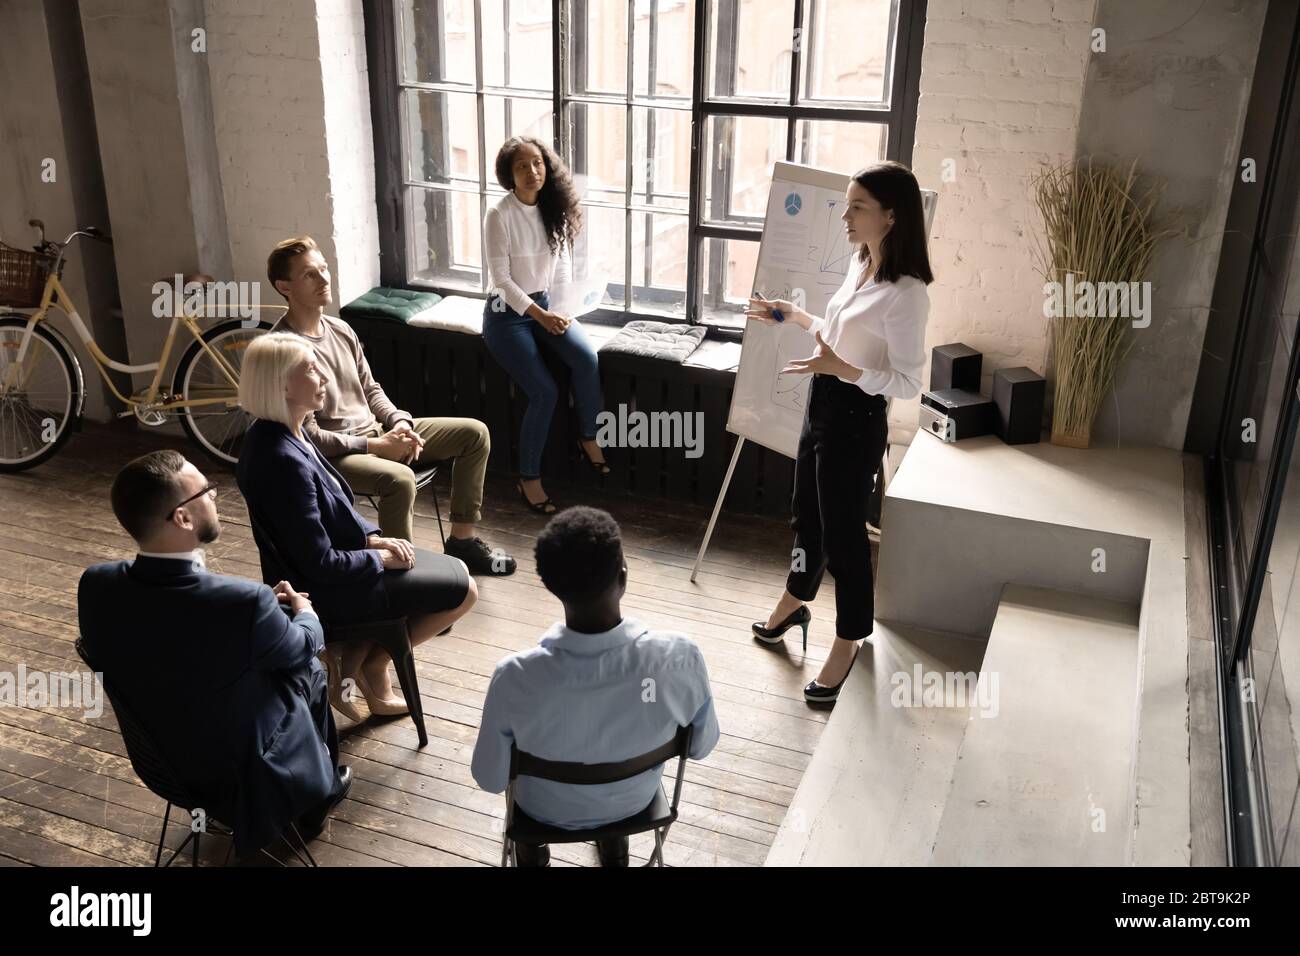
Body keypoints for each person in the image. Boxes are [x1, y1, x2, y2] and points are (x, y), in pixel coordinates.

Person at [77, 450, 350, 856]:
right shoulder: (244, 603)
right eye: (206, 491)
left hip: (163, 764)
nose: (215, 496)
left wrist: (256, 615)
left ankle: (316, 787)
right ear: (183, 518)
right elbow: (302, 645)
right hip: (241, 774)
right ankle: (319, 794)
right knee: (308, 668)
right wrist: (304, 612)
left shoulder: (96, 583)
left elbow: (173, 628)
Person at [746, 160, 933, 705]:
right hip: (822, 402)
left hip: (856, 417)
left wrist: (842, 370)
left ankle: (850, 637)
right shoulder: (861, 264)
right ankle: (795, 598)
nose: (844, 215)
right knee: (807, 515)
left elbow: (904, 381)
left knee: (845, 537)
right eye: (847, 203)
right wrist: (795, 318)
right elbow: (841, 334)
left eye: (857, 206)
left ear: (891, 216)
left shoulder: (908, 292)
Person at [236, 332, 478, 724]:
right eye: (311, 370)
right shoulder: (281, 459)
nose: (324, 378)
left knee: (452, 577)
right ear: (282, 384)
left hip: (345, 561)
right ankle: (370, 662)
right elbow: (319, 564)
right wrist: (379, 558)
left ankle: (359, 663)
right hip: (326, 588)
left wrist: (372, 535)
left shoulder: (284, 431)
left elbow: (336, 501)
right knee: (464, 591)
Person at [471, 507, 719, 867]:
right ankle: (614, 843)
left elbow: (490, 779)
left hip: (543, 810)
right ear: (623, 576)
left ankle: (533, 855)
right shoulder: (679, 657)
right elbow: (701, 746)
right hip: (634, 802)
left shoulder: (514, 677)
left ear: (550, 584)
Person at [266, 235, 516, 577]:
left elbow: (371, 389)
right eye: (310, 274)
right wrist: (377, 446)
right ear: (284, 286)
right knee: (400, 480)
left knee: (474, 434)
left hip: (376, 432)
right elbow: (308, 437)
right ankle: (403, 579)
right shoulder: (283, 349)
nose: (325, 279)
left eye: (324, 269)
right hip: (338, 454)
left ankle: (462, 541)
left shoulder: (340, 329)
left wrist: (400, 423)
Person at [481, 135, 610, 516]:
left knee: (587, 359)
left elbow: (562, 266)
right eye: (521, 166)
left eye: (537, 163)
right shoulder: (499, 214)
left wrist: (565, 309)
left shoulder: (554, 208)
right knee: (545, 392)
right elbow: (502, 280)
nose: (531, 171)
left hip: (548, 307)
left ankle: (588, 437)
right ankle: (529, 478)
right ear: (509, 173)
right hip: (507, 315)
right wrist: (540, 316)